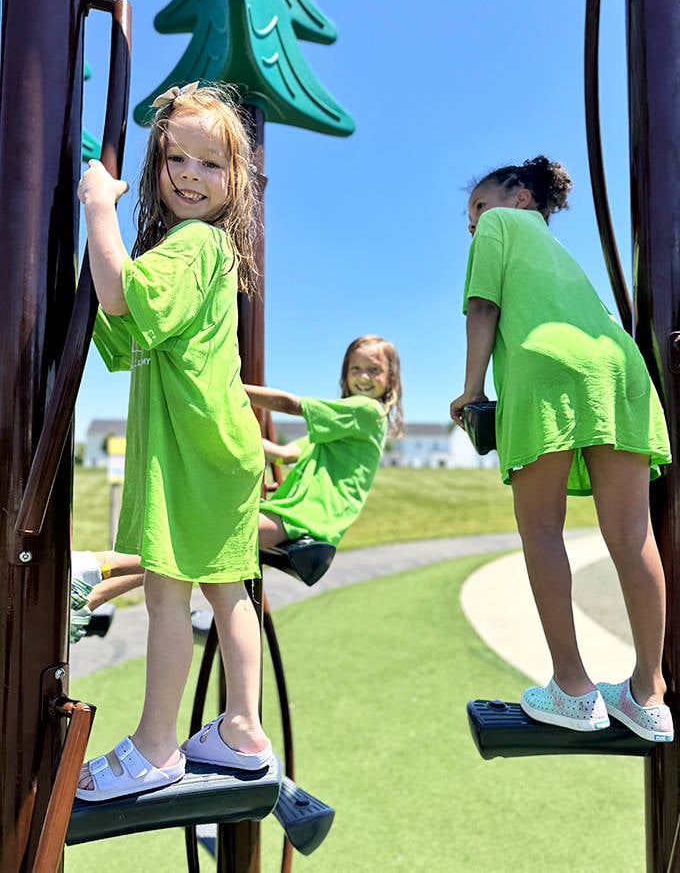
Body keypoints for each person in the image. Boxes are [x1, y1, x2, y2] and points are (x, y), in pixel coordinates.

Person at [75, 82, 272, 802]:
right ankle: (245, 729)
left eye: (211, 165)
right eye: (176, 158)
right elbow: (121, 319)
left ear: (237, 181)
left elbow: (122, 296)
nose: (190, 175)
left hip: (193, 450)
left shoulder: (191, 245)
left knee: (166, 598)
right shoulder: (214, 251)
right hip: (222, 448)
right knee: (229, 593)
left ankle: (157, 746)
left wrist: (99, 206)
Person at [450, 155, 674, 742]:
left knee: (541, 530)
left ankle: (573, 688)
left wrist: (472, 390)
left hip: (546, 368)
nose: (473, 222)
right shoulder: (559, 256)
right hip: (621, 371)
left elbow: (483, 309)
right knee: (633, 535)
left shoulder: (501, 229)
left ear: (520, 196)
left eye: (479, 205)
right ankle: (649, 693)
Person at [70, 334, 404, 619]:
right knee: (182, 554)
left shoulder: (367, 412)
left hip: (303, 519)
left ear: (390, 379)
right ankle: (90, 600)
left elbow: (291, 405)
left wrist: (225, 389)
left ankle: (96, 565)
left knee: (186, 541)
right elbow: (283, 453)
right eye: (355, 368)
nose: (363, 376)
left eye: (374, 370)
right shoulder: (341, 426)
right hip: (290, 513)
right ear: (345, 374)